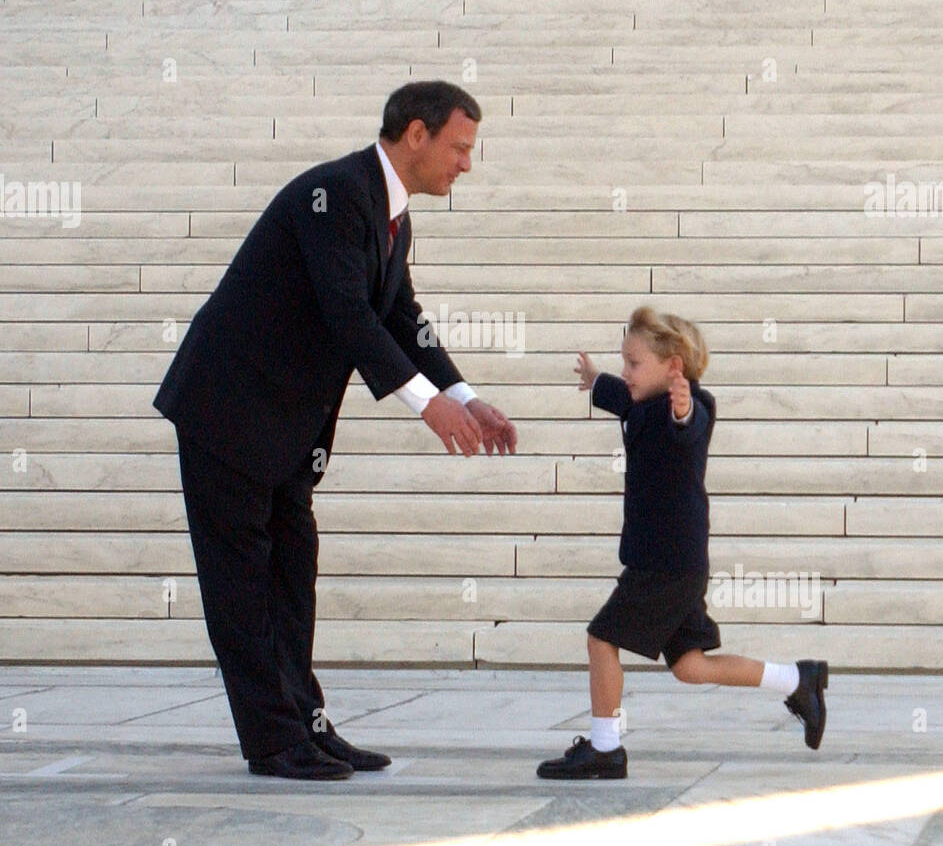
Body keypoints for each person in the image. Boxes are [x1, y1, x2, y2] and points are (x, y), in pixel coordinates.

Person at [154, 81, 517, 781]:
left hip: (285, 429)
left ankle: (308, 726)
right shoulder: (335, 194)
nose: (466, 165)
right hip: (228, 411)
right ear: (416, 133)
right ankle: (271, 739)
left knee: (291, 578)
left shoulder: (391, 216)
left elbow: (399, 316)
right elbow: (347, 315)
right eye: (460, 148)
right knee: (242, 587)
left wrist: (465, 396)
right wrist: (425, 404)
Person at [537, 306, 827, 781]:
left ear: (674, 368)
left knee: (601, 639)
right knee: (690, 666)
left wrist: (683, 408)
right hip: (676, 563)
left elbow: (687, 429)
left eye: (634, 364)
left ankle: (606, 749)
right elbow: (627, 399)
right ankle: (799, 680)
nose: (625, 372)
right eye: (623, 362)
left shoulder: (694, 408)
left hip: (664, 565)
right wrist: (596, 380)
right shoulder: (640, 400)